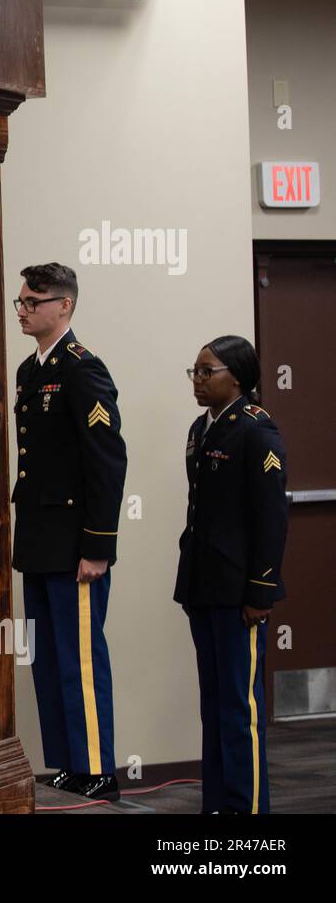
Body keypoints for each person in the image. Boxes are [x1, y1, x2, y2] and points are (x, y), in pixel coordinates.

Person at [11, 262, 126, 801]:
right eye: (22, 301)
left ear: (66, 306)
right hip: (38, 538)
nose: (24, 309)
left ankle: (97, 765)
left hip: (76, 541)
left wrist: (98, 547)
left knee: (80, 658)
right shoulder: (28, 369)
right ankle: (67, 761)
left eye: (35, 301)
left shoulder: (83, 369)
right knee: (49, 657)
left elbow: (107, 461)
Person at [176, 336, 287, 814]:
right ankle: (217, 805)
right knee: (214, 704)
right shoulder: (201, 429)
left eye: (207, 371)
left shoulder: (256, 431)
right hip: (203, 585)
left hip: (240, 590)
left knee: (241, 711)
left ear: (236, 377)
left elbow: (270, 519)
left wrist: (261, 590)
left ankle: (249, 810)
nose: (198, 380)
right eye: (195, 372)